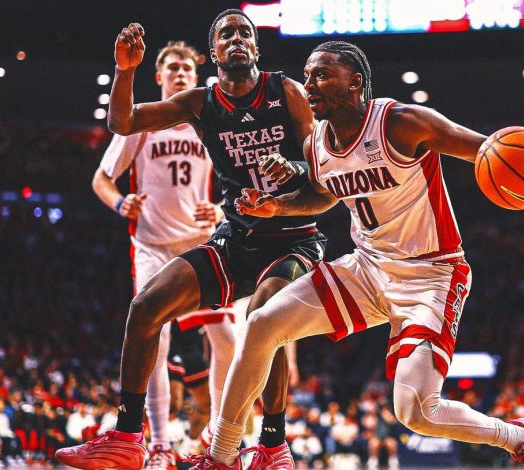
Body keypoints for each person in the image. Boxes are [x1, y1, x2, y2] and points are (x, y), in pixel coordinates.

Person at [191, 41, 524, 470]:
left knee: (416, 410)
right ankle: (222, 455)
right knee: (262, 323)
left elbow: (488, 150)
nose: (309, 83)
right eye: (307, 74)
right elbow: (320, 196)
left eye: (322, 74)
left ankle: (521, 438)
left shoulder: (401, 123)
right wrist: (277, 205)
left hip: (431, 273)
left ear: (355, 83)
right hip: (368, 266)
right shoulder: (315, 144)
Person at [54, 9, 324, 470]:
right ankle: (127, 437)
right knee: (146, 307)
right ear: (215, 52)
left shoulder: (287, 92)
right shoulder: (200, 103)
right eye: (226, 34)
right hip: (235, 240)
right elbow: (124, 122)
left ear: (255, 48)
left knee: (264, 316)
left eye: (245, 33)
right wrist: (125, 71)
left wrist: (293, 172)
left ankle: (272, 446)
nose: (237, 39)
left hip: (292, 239)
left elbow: (323, 178)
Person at [90, 40, 237, 470]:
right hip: (152, 247)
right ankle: (158, 443)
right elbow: (102, 178)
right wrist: (120, 203)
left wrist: (223, 208)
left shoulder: (210, 123)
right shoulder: (142, 124)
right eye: (172, 68)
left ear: (196, 79)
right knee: (156, 337)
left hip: (201, 241)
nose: (179, 74)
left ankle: (216, 434)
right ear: (159, 77)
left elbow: (238, 181)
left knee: (229, 340)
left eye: (187, 70)